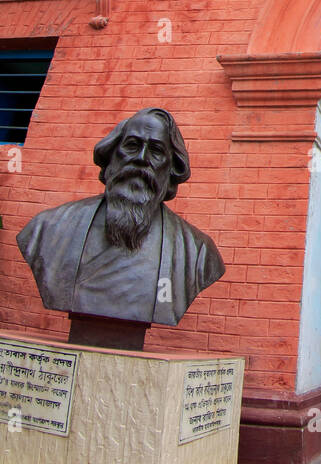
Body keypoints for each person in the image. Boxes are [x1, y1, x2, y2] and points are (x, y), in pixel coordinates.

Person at [16, 108, 225, 325]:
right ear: (112, 154)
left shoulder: (196, 252)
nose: (142, 159)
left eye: (156, 151)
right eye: (132, 146)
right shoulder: (49, 228)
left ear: (171, 167)